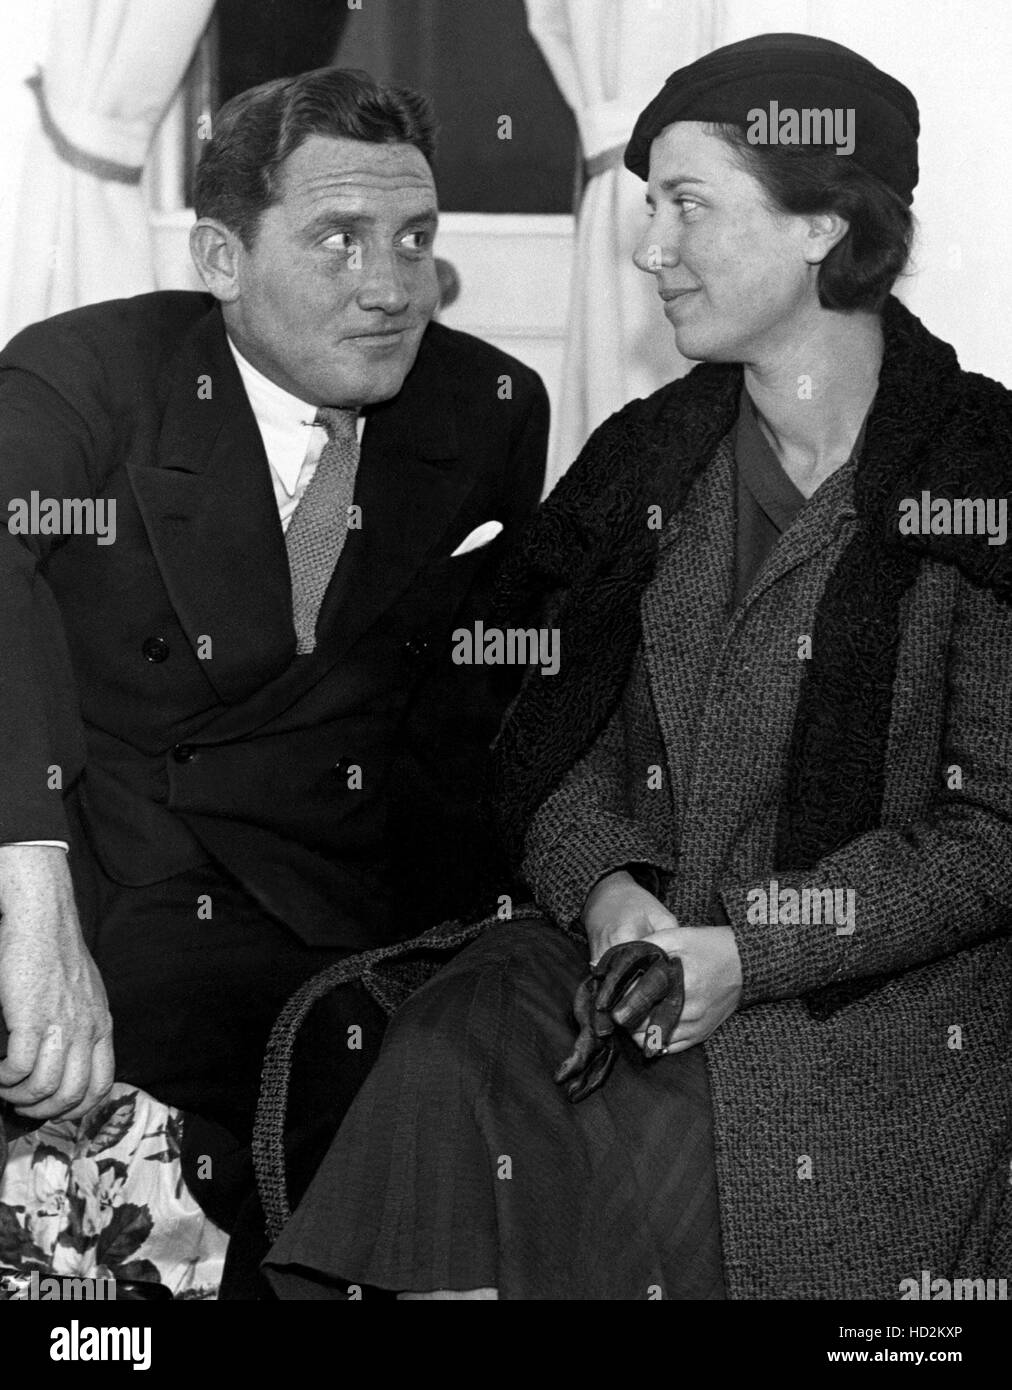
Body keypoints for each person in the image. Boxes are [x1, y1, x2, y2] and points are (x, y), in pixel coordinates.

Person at [263, 34, 1012, 1300]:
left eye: (687, 205)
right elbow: (540, 739)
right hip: (622, 960)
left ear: (822, 223)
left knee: (625, 1164)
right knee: (456, 1040)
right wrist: (607, 890)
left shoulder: (977, 474)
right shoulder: (644, 461)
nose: (649, 248)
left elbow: (994, 828)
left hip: (859, 1008)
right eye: (648, 203)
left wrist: (748, 949)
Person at [0, 65, 548, 1248]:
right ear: (219, 259)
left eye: (413, 238)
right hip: (122, 862)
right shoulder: (86, 375)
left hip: (342, 888)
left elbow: (472, 705)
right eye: (338, 240)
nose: (391, 287)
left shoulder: (490, 404)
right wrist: (31, 893)